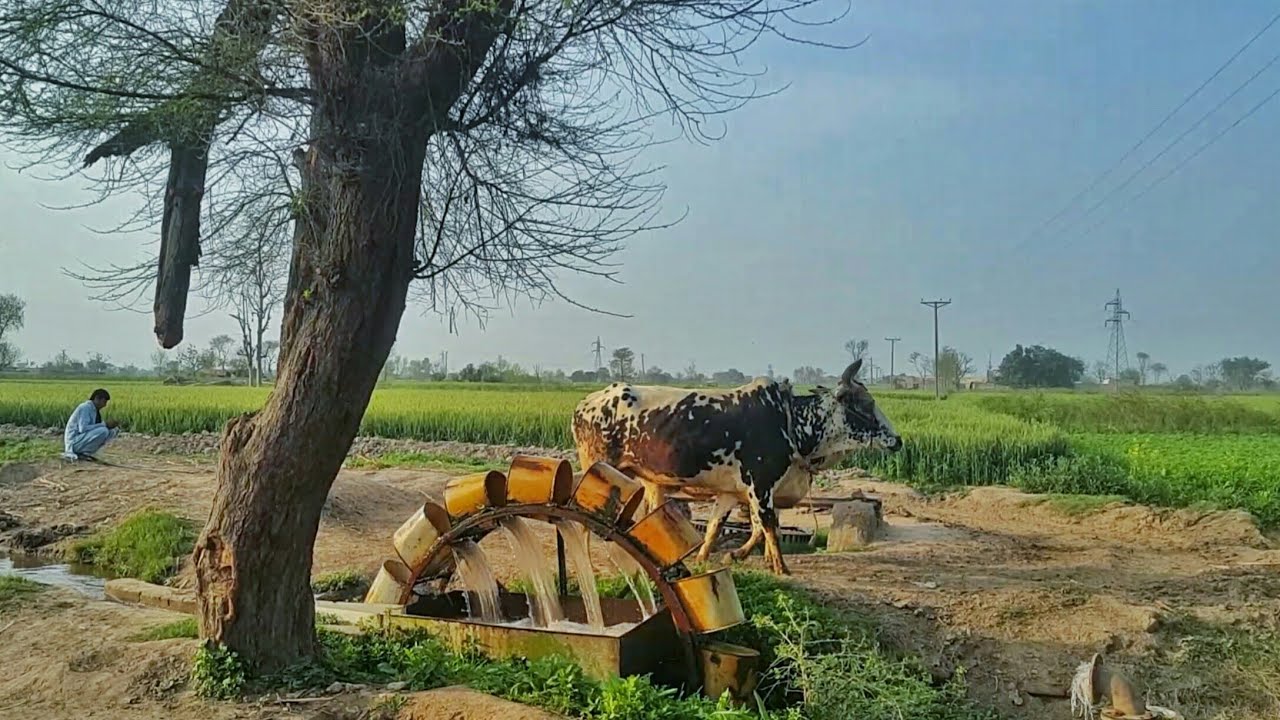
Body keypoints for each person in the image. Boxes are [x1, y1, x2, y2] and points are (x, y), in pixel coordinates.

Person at [62, 388, 120, 461]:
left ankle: (86, 452)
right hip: (74, 441)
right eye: (104, 402)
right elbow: (83, 428)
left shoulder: (94, 410)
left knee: (112, 431)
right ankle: (82, 451)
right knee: (103, 431)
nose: (105, 405)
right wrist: (104, 424)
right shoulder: (85, 408)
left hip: (81, 439)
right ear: (97, 399)